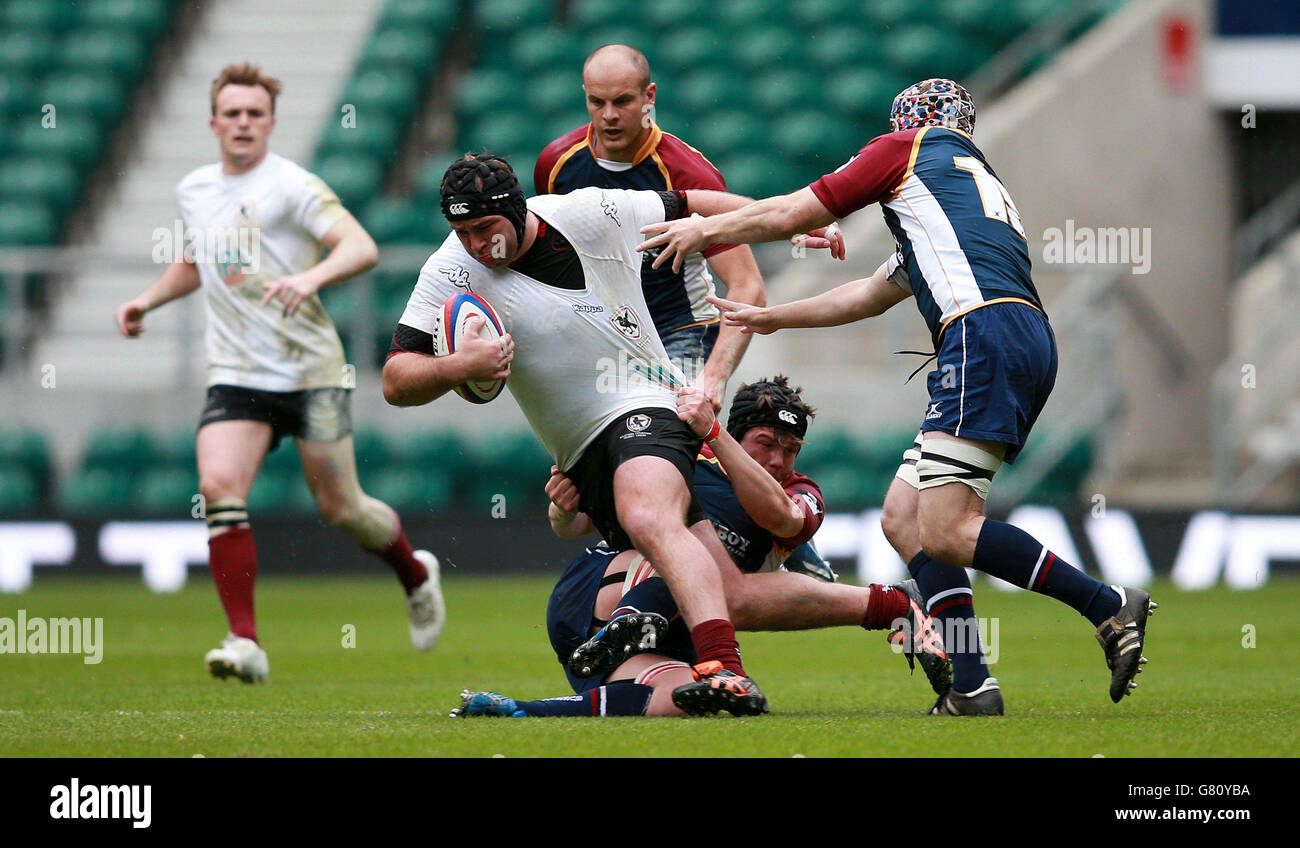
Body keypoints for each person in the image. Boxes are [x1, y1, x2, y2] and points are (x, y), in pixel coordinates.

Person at [638, 79, 1156, 715]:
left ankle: (1106, 605)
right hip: (1010, 334)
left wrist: (704, 228)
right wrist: (773, 318)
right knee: (903, 520)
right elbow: (869, 292)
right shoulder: (963, 188)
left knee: (944, 529)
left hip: (981, 336)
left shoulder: (906, 149)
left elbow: (797, 213)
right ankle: (971, 685)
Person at [383, 153, 910, 716]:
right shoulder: (449, 270)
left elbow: (694, 206)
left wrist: (789, 221)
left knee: (646, 514)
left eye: (485, 229)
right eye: (461, 232)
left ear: (516, 210)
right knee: (725, 588)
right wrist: (455, 367)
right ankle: (648, 649)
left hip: (648, 403)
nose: (475, 244)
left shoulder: (588, 213)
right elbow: (396, 379)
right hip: (582, 454)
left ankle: (722, 667)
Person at [113, 63, 444, 684]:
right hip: (237, 376)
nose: (242, 123)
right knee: (217, 485)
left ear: (269, 122)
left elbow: (360, 246)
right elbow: (197, 262)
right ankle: (245, 641)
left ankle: (416, 574)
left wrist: (311, 277)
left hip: (311, 373)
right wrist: (147, 300)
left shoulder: (293, 186)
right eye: (232, 113)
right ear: (214, 122)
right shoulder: (195, 189)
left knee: (344, 508)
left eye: (254, 114)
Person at [451, 377, 948, 718]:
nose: (779, 460)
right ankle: (893, 604)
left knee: (687, 701)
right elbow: (574, 525)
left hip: (676, 629)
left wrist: (717, 435)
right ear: (738, 432)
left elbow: (780, 518)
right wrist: (562, 506)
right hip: (602, 589)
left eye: (790, 449)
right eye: (765, 443)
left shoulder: (801, 494)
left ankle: (519, 710)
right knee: (678, 544)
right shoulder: (680, 455)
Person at [534, 44, 766, 410]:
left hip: (680, 331)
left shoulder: (689, 175)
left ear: (649, 97)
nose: (609, 116)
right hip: (601, 335)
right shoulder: (555, 165)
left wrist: (714, 377)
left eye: (623, 101)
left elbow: (748, 285)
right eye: (597, 102)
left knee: (665, 431)